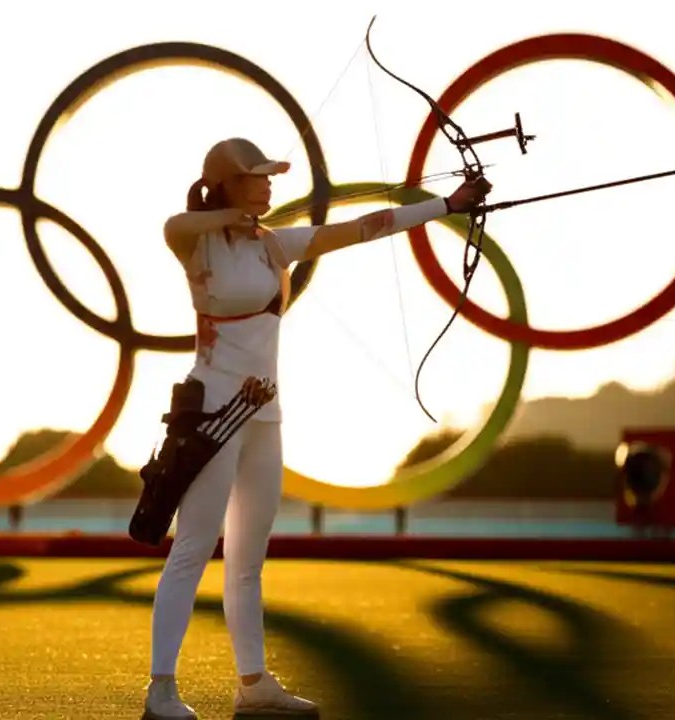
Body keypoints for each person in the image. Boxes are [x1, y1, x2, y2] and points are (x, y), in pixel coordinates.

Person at [142, 137, 490, 720]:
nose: (268, 184)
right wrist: (232, 216)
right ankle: (161, 692)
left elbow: (363, 228)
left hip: (264, 414)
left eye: (268, 177)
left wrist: (448, 205)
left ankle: (253, 684)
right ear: (227, 183)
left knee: (247, 559)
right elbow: (175, 223)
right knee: (193, 548)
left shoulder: (272, 244)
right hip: (211, 417)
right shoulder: (198, 242)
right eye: (257, 176)